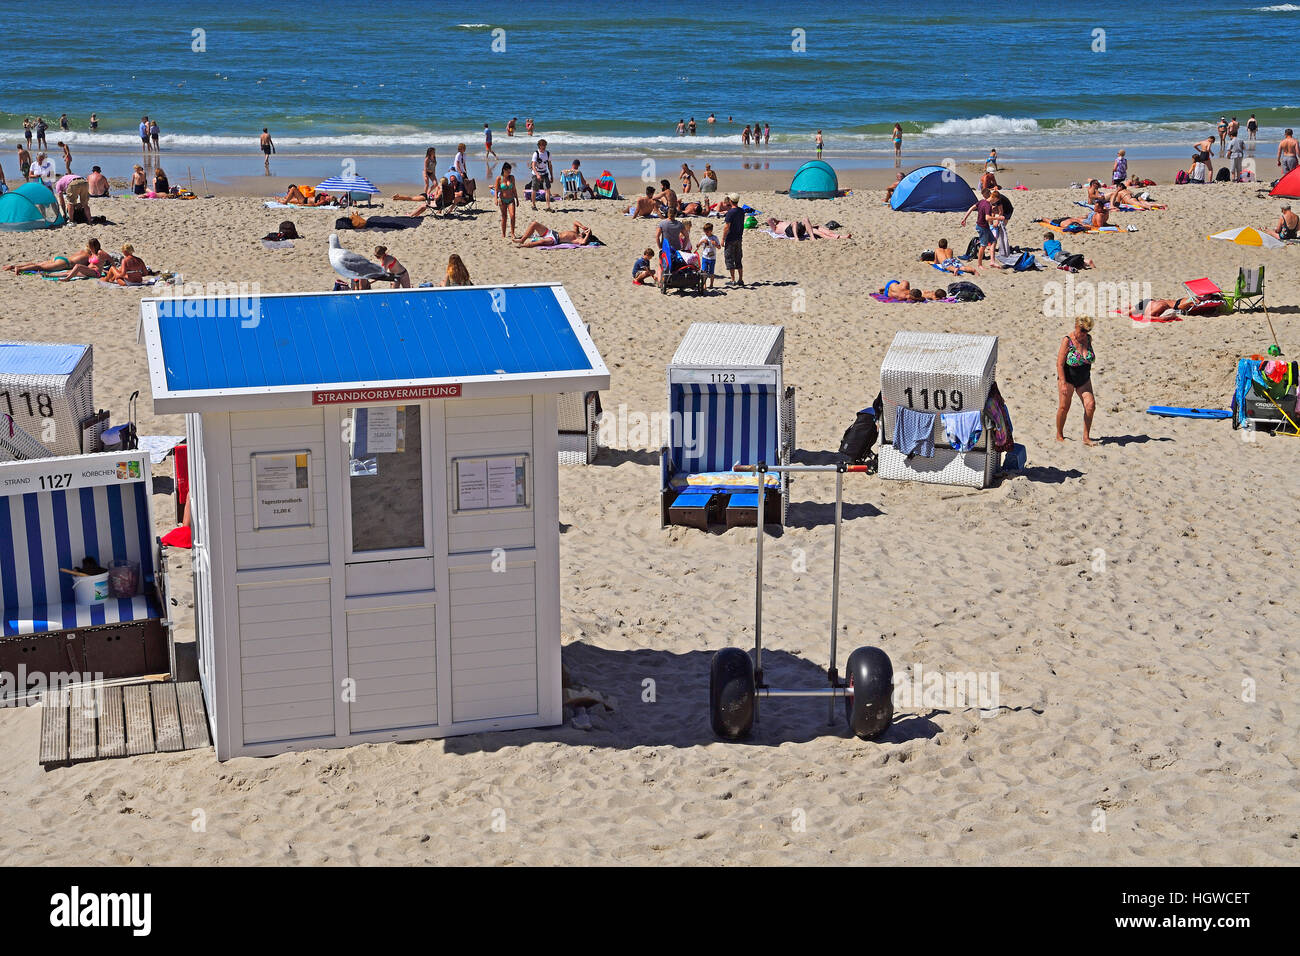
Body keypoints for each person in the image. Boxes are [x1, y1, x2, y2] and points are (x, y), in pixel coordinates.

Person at [1056, 316, 1097, 445]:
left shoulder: (1088, 339)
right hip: (1068, 379)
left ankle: (1086, 437)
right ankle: (1059, 434)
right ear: (1076, 326)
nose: (1084, 333)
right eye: (1083, 330)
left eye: (1087, 331)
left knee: (1090, 406)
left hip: (1084, 379)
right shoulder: (1067, 341)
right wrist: (1062, 383)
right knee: (1064, 407)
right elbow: (1060, 364)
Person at [5, 238, 101, 274]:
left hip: (60, 258)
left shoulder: (82, 250)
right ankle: (20, 269)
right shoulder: (90, 257)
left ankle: (14, 266)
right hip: (65, 263)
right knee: (40, 267)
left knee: (37, 264)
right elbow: (89, 267)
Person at [960, 187, 996, 268]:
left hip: (983, 226)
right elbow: (987, 218)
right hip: (982, 227)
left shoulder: (981, 202)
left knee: (993, 241)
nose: (984, 197)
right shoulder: (987, 205)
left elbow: (971, 208)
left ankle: (992, 261)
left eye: (984, 195)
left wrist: (964, 218)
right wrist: (996, 219)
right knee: (983, 246)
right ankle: (979, 264)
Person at [721, 192, 745, 286]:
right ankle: (740, 279)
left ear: (730, 201)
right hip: (739, 237)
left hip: (731, 238)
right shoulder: (741, 211)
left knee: (730, 259)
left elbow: (727, 227)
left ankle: (733, 279)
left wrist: (723, 238)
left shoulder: (730, 213)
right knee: (738, 258)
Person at [513, 220, 594, 247]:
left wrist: (587, 235)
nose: (585, 231)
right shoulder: (577, 232)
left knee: (540, 242)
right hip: (551, 232)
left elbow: (583, 242)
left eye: (586, 232)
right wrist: (582, 226)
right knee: (534, 224)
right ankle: (522, 240)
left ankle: (524, 245)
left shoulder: (579, 239)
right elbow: (575, 222)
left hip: (554, 239)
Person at [764, 216, 850, 239]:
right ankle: (810, 237)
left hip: (798, 229)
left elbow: (772, 219)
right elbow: (768, 219)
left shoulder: (780, 222)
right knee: (795, 222)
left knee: (810, 223)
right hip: (791, 232)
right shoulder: (776, 229)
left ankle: (838, 236)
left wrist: (776, 220)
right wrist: (774, 221)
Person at [494, 162, 518, 238]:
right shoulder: (499, 178)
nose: (509, 172)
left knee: (512, 216)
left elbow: (514, 189)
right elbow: (496, 190)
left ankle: (512, 233)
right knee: (504, 217)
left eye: (510, 171)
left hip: (511, 200)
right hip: (502, 200)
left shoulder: (512, 177)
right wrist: (496, 199)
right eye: (508, 171)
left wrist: (517, 199)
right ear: (504, 170)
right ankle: (503, 234)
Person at [529, 138, 553, 211]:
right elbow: (533, 166)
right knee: (534, 189)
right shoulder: (536, 154)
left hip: (545, 173)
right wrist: (537, 175)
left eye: (545, 145)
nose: (544, 147)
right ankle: (533, 205)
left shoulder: (548, 153)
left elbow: (550, 165)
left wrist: (551, 175)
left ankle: (548, 206)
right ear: (539, 146)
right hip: (536, 173)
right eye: (542, 145)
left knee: (547, 189)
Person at [696, 222, 721, 288]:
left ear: (711, 231)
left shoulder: (715, 237)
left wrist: (715, 244)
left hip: (712, 257)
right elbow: (697, 246)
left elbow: (719, 247)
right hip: (705, 257)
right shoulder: (704, 237)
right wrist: (701, 242)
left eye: (707, 231)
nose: (706, 233)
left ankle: (711, 284)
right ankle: (704, 284)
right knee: (704, 271)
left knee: (711, 272)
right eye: (705, 231)